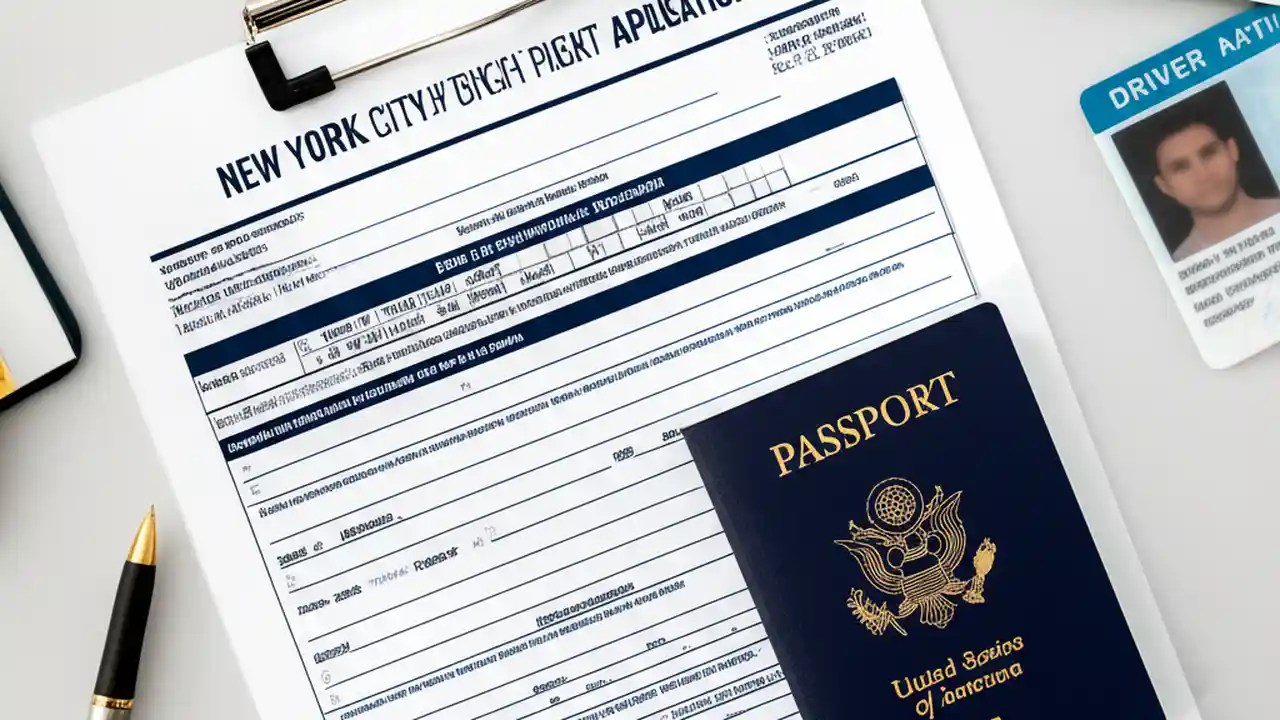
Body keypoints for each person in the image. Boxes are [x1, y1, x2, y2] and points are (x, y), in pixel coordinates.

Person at [1150, 116, 1280, 261]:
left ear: (1232, 150)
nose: (1203, 175)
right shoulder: (1180, 262)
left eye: (1209, 154)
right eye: (1181, 168)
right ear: (1164, 186)